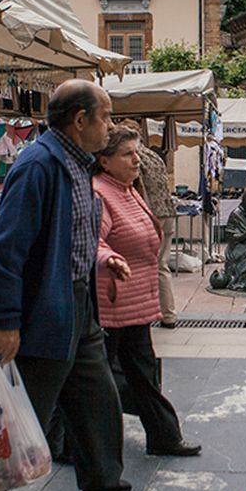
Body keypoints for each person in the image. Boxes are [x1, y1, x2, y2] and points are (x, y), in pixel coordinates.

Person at [0, 80, 164, 491]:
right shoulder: (39, 166)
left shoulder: (77, 165)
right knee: (15, 425)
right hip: (46, 317)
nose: (111, 126)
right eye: (106, 117)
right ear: (81, 121)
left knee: (99, 407)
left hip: (79, 311)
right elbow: (2, 252)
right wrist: (6, 323)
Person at [92, 127, 200, 458]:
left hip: (134, 302)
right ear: (105, 161)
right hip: (111, 304)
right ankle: (77, 444)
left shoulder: (128, 189)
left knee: (143, 373)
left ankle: (164, 436)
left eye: (136, 151)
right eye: (128, 153)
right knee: (97, 381)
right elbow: (92, 241)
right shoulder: (100, 193)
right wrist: (109, 258)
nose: (137, 158)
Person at [124, 121, 179, 328]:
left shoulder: (133, 158)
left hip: (152, 216)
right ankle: (168, 314)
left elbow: (136, 188)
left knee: (147, 266)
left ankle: (149, 313)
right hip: (167, 213)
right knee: (161, 266)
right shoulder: (154, 155)